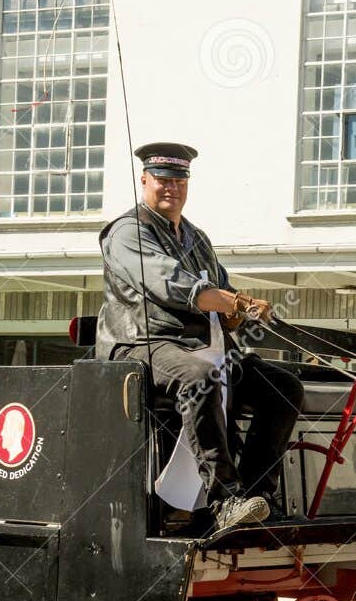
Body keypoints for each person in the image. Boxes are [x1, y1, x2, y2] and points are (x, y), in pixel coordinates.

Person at [96, 141, 303, 533]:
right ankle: (223, 499)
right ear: (144, 180)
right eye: (162, 180)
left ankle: (257, 497)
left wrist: (241, 312)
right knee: (197, 377)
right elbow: (170, 285)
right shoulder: (127, 232)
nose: (171, 188)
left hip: (199, 347)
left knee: (283, 387)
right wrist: (236, 301)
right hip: (141, 343)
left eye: (179, 180)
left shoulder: (197, 238)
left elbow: (223, 303)